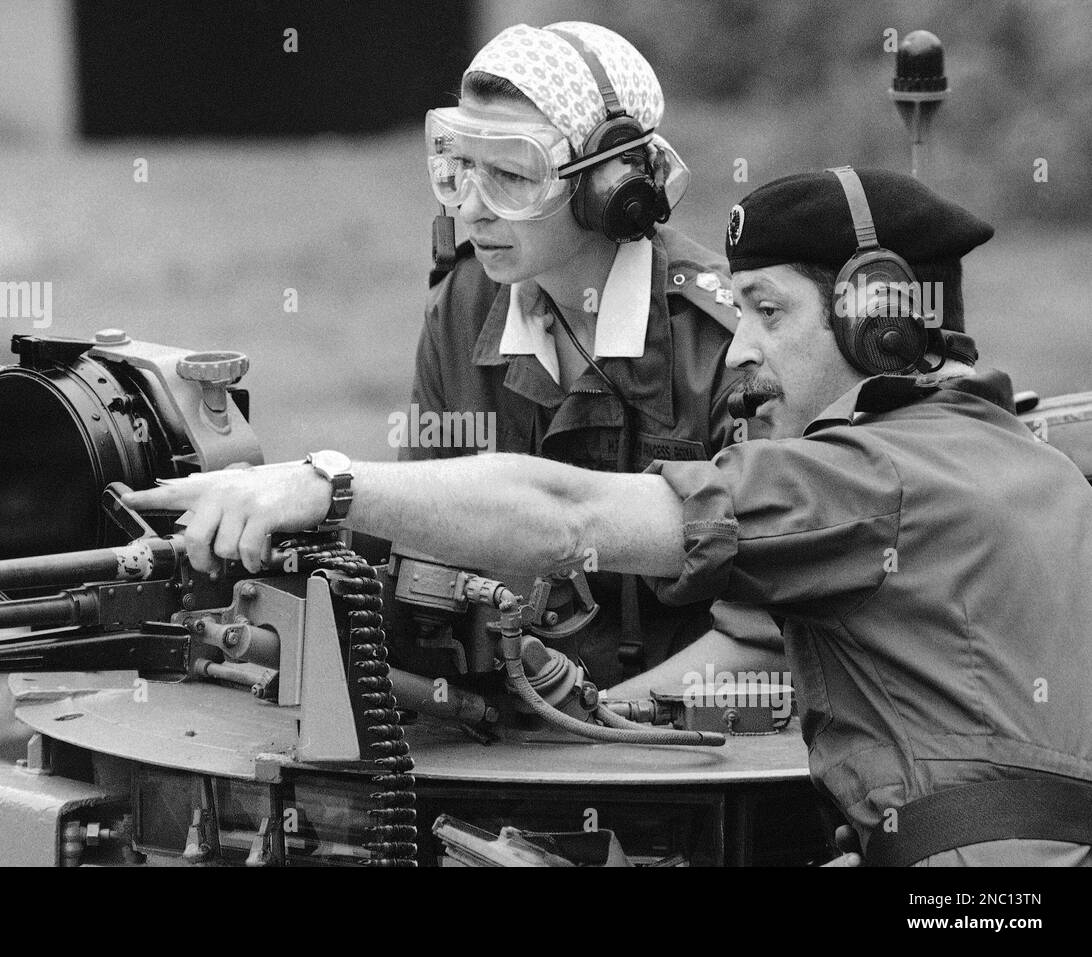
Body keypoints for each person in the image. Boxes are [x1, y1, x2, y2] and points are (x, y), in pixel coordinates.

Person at [126, 166, 1092, 866]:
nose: (742, 349)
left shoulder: (857, 476)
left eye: (766, 310)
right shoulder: (1029, 459)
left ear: (879, 317)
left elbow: (568, 511)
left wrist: (327, 483)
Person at [402, 20, 774, 688]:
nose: (473, 211)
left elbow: (772, 629)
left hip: (689, 756)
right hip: (500, 729)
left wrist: (592, 731)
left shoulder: (729, 341)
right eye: (459, 169)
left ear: (613, 187)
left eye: (512, 175)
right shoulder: (461, 304)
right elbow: (423, 552)